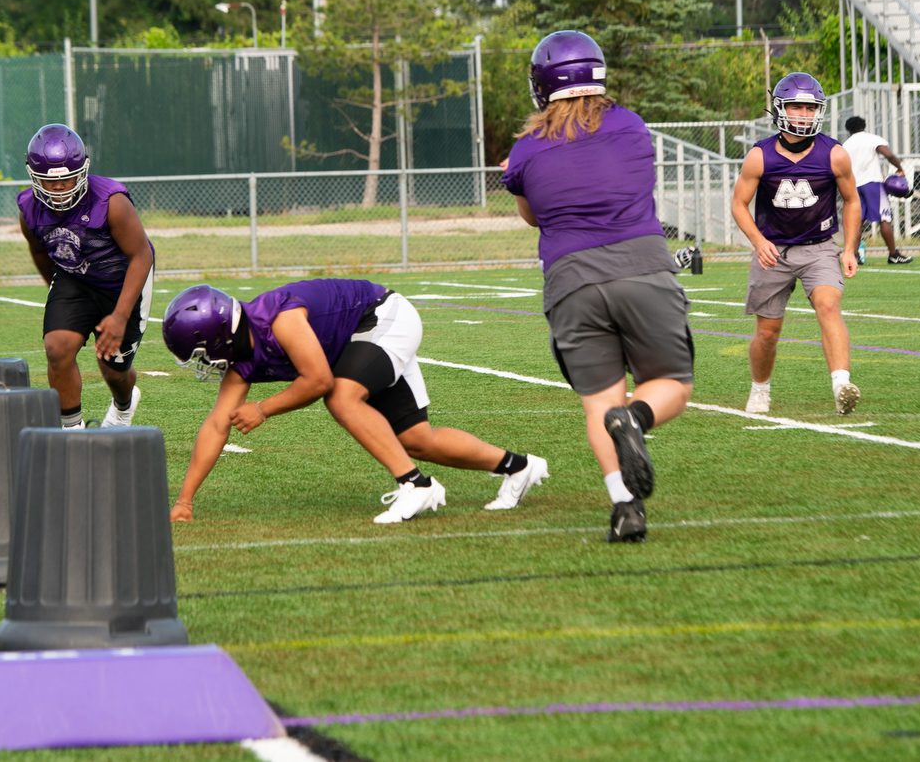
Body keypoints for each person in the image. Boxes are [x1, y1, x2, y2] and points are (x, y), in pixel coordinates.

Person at [501, 30, 695, 544]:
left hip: (570, 279)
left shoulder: (523, 150)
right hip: (642, 266)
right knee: (672, 383)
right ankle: (634, 418)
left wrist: (517, 172)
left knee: (596, 404)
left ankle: (625, 507)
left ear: (542, 85)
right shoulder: (631, 126)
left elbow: (533, 216)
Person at [161, 280, 548, 524]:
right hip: (358, 341)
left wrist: (263, 408)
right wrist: (185, 500)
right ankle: (518, 467)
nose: (203, 364)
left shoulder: (279, 319)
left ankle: (416, 485)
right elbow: (217, 424)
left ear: (217, 338)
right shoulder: (240, 362)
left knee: (341, 397)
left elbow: (318, 381)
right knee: (416, 439)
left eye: (200, 354)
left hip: (382, 316)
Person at [731, 74, 862, 417]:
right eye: (796, 106)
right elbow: (738, 204)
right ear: (780, 109)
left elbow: (852, 201)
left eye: (810, 107)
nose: (804, 114)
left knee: (828, 306)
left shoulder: (834, 154)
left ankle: (841, 384)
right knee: (768, 333)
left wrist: (849, 248)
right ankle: (760, 389)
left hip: (819, 247)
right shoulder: (760, 156)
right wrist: (758, 242)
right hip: (773, 250)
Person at [17, 124, 155, 429]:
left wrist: (119, 316)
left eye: (67, 180)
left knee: (114, 369)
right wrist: (59, 298)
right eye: (50, 182)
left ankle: (123, 405)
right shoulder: (29, 208)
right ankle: (72, 431)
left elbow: (141, 255)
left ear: (83, 171)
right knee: (57, 348)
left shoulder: (111, 201)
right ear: (34, 177)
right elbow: (41, 252)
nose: (59, 189)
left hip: (121, 282)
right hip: (75, 278)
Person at [842, 115, 912, 265]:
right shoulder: (871, 139)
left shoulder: (846, 145)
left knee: (857, 222)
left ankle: (854, 256)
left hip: (853, 185)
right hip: (872, 183)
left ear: (848, 129)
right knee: (884, 218)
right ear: (864, 126)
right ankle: (893, 254)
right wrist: (900, 169)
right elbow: (888, 154)